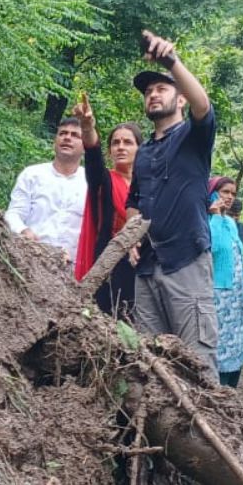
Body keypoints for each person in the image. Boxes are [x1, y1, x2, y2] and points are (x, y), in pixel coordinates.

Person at [124, 31, 219, 377]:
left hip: (186, 260)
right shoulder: (144, 152)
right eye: (148, 92)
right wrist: (131, 235)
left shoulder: (194, 138)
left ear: (179, 100)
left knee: (197, 359)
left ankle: (210, 429)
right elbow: (134, 201)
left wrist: (172, 63)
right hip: (147, 268)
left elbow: (204, 107)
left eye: (161, 89)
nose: (152, 94)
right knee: (150, 362)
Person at [71, 92, 141, 317]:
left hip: (143, 265)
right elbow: (93, 158)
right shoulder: (105, 181)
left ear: (140, 149)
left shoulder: (149, 187)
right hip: (109, 264)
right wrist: (87, 126)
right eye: (115, 143)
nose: (120, 147)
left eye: (128, 142)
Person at [5, 117, 88, 258]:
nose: (67, 138)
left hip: (75, 266)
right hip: (32, 261)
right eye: (62, 133)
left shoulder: (91, 181)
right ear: (55, 141)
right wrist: (23, 230)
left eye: (75, 135)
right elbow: (13, 213)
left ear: (85, 145)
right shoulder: (32, 175)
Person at [207, 177, 243, 387]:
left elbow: (240, 260)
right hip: (219, 292)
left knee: (240, 339)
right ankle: (216, 388)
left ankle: (231, 390)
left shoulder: (231, 222)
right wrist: (216, 215)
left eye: (233, 193)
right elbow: (215, 248)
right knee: (221, 343)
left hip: (238, 292)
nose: (229, 197)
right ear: (212, 193)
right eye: (224, 192)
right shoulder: (207, 220)